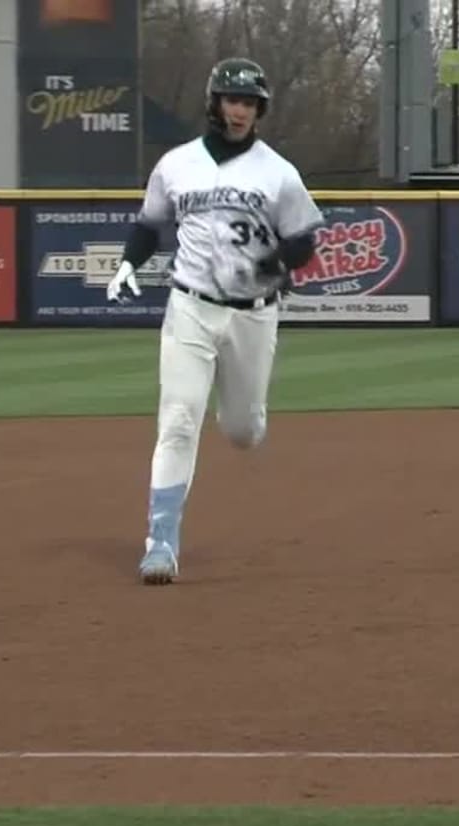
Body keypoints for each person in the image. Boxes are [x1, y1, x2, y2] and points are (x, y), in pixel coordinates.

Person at [106, 57, 323, 585]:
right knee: (179, 420)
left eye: (249, 102)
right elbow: (149, 225)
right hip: (190, 306)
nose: (240, 110)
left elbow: (303, 242)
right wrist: (127, 263)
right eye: (232, 99)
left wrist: (270, 264)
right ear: (215, 103)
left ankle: (244, 415)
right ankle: (161, 541)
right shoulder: (176, 164)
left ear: (259, 110)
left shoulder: (278, 172)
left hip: (253, 314)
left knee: (243, 431)